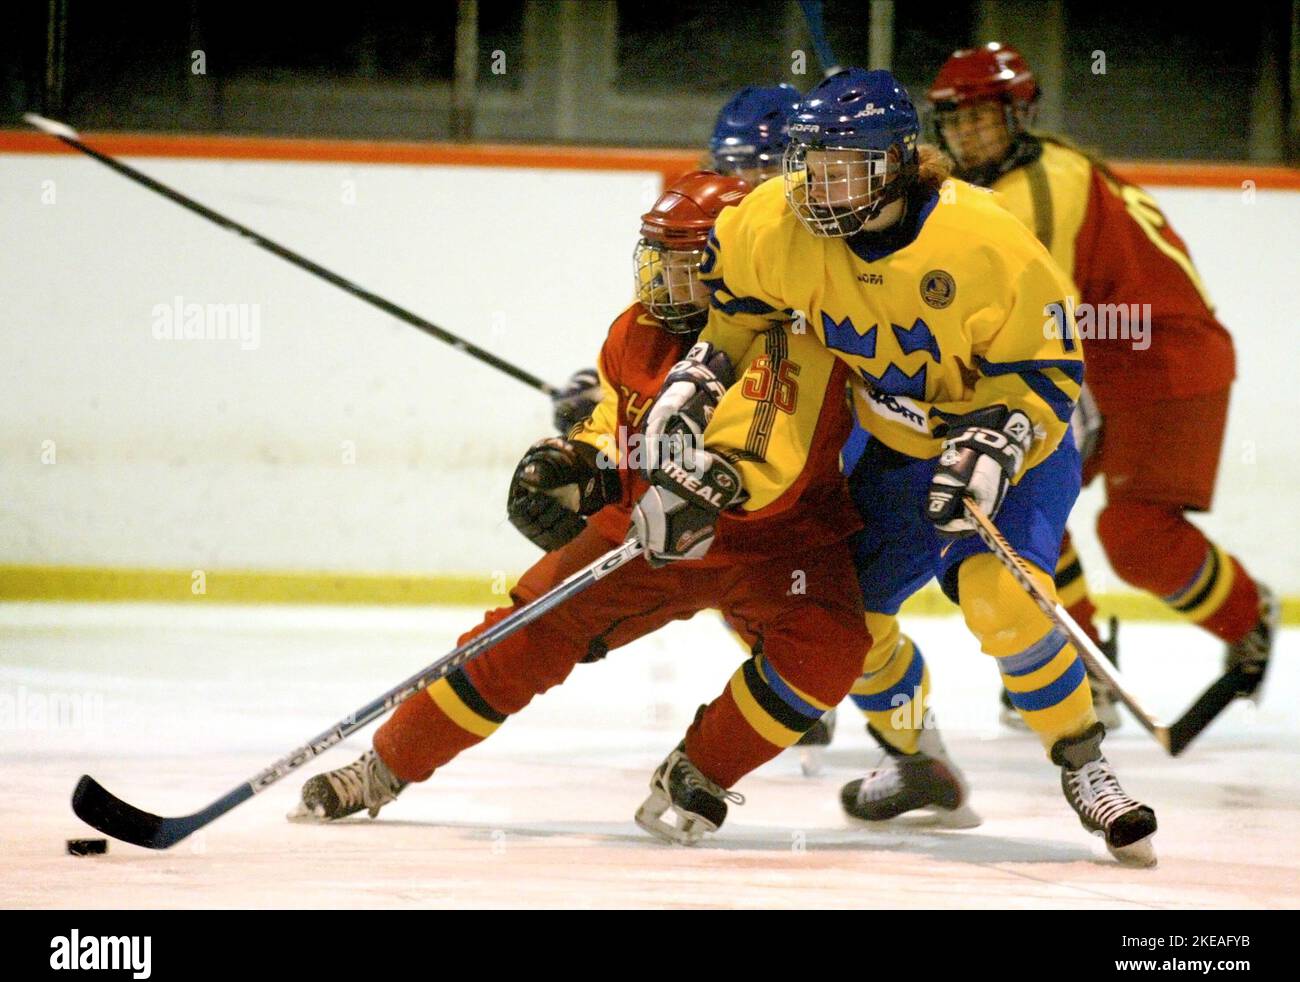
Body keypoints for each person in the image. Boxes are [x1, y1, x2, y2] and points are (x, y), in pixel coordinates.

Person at [643, 68, 1157, 865]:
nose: (816, 188)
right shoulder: (778, 224)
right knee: (846, 625)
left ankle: (1086, 766)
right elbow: (739, 309)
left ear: (895, 165)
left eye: (840, 169)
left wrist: (994, 443)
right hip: (899, 452)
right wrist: (700, 376)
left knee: (999, 602)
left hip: (1015, 450)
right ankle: (919, 761)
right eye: (809, 166)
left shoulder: (984, 241)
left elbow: (1052, 371)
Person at [291, 172, 873, 845]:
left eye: (687, 268)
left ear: (732, 267)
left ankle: (702, 767)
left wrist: (708, 490)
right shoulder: (638, 331)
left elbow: (779, 452)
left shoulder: (796, 336)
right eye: (660, 261)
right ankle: (384, 763)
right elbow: (613, 418)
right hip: (645, 532)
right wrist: (582, 467)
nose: (665, 284)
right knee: (522, 635)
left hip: (778, 542)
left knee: (830, 651)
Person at [927, 42, 1277, 729]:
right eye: (955, 119)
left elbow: (1029, 322)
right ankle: (1077, 656)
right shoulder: (1021, 179)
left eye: (982, 116)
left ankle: (1247, 612)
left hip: (1166, 360)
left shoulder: (1040, 189)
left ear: (1017, 115)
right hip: (1106, 357)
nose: (968, 132)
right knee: (1021, 489)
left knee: (1137, 536)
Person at [549, 84, 803, 437]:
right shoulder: (687, 241)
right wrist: (607, 389)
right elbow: (658, 337)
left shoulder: (815, 248)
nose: (746, 185)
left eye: (767, 170)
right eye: (734, 168)